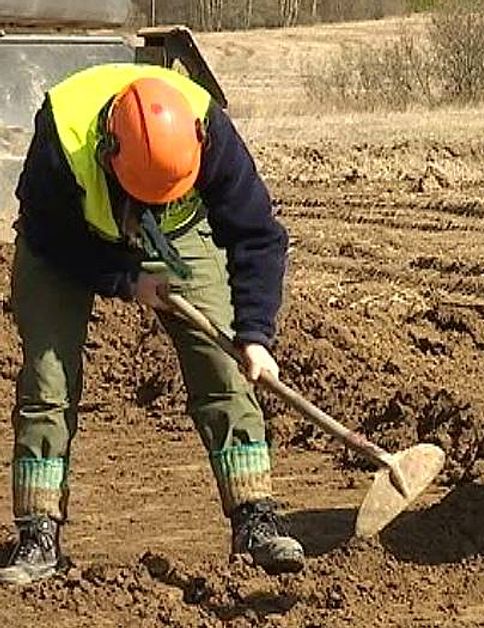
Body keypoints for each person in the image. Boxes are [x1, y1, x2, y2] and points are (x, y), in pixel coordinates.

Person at [0, 63, 303, 585]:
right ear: (107, 151)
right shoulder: (63, 133)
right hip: (68, 240)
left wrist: (255, 334)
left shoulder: (211, 135)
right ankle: (38, 533)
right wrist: (122, 278)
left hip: (177, 233)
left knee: (224, 368)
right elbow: (48, 235)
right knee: (47, 382)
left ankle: (255, 518)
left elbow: (258, 237)